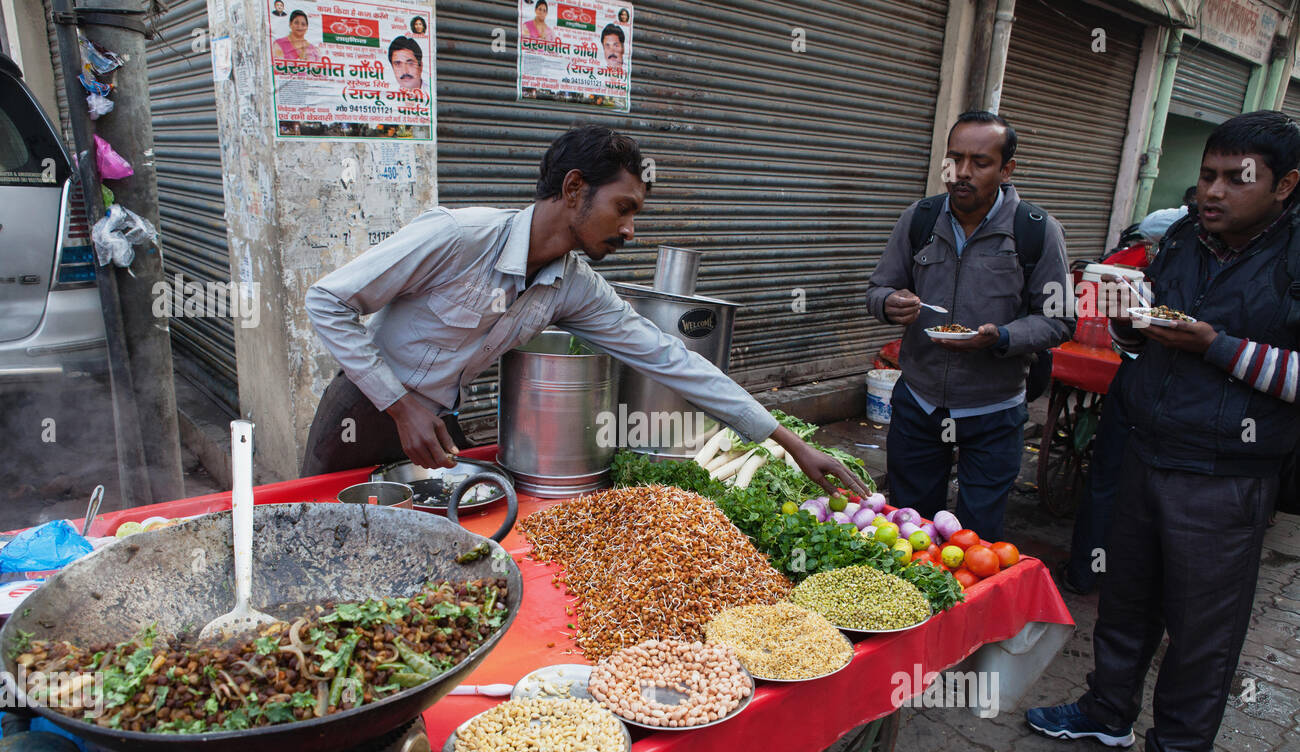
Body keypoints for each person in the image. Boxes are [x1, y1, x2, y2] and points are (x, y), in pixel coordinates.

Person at [301, 125, 869, 500]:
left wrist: (788, 443)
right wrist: (400, 407)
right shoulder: (459, 235)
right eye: (623, 209)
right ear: (574, 189)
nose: (629, 230)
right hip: (364, 411)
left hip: (436, 426)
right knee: (326, 545)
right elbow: (327, 301)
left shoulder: (572, 287)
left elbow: (669, 358)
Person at [1027, 111, 1300, 752]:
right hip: (1144, 448)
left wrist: (1214, 344)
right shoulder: (1181, 236)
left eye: (1234, 179)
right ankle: (1106, 711)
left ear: (1286, 185)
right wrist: (1127, 323)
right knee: (1126, 599)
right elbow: (1149, 332)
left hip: (1225, 474)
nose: (1211, 192)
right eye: (1207, 174)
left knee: (1200, 634)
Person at [865, 111, 1071, 541]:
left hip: (993, 412)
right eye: (955, 158)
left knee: (976, 539)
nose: (962, 172)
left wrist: (1004, 337)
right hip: (919, 405)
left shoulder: (1035, 231)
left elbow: (1060, 318)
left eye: (979, 162)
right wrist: (890, 303)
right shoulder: (919, 219)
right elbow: (878, 288)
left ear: (1006, 169)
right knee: (908, 530)